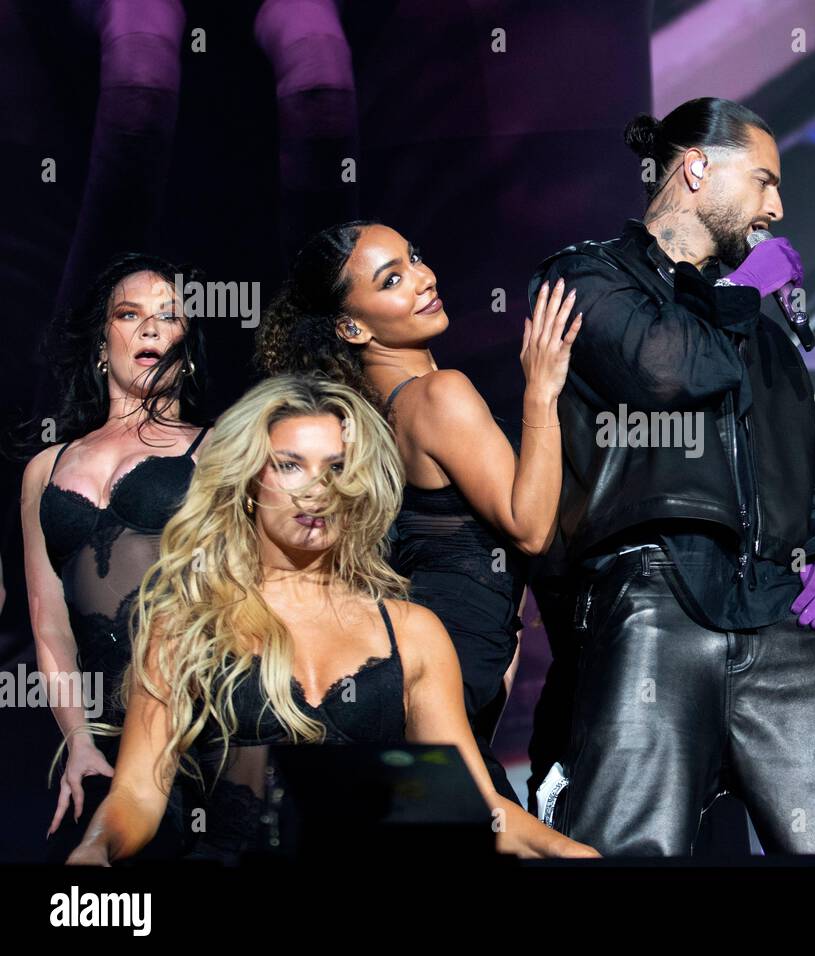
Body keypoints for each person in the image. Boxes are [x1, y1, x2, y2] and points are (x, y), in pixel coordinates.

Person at [527, 96, 815, 856]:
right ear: (695, 169)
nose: (777, 208)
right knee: (631, 847)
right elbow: (663, 370)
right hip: (654, 598)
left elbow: (803, 485)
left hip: (780, 619)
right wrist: (739, 295)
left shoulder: (762, 334)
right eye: (764, 182)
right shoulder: (587, 278)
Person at [65, 374, 598, 864]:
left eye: (335, 467)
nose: (315, 487)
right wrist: (95, 848)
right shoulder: (187, 627)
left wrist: (576, 853)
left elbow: (479, 809)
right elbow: (136, 795)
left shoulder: (411, 631)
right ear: (250, 483)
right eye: (290, 464)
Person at [255, 221, 580, 803]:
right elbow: (529, 530)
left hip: (431, 674)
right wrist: (541, 392)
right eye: (393, 279)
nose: (425, 280)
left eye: (415, 259)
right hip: (442, 667)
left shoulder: (372, 418)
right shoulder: (439, 394)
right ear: (353, 326)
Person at [20, 254, 210, 861]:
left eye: (169, 317)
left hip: (198, 723)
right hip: (94, 736)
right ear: (104, 342)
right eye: (131, 315)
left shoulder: (220, 449)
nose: (151, 329)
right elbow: (49, 622)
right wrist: (76, 737)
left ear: (189, 345)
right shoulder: (44, 469)